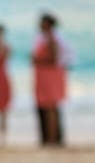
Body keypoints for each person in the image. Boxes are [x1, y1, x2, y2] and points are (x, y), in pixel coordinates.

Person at [32, 13, 66, 146]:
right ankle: (49, 138)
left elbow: (53, 59)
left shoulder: (52, 39)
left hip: (49, 77)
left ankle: (52, 139)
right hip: (44, 76)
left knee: (51, 107)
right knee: (47, 107)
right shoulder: (44, 38)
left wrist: (37, 60)